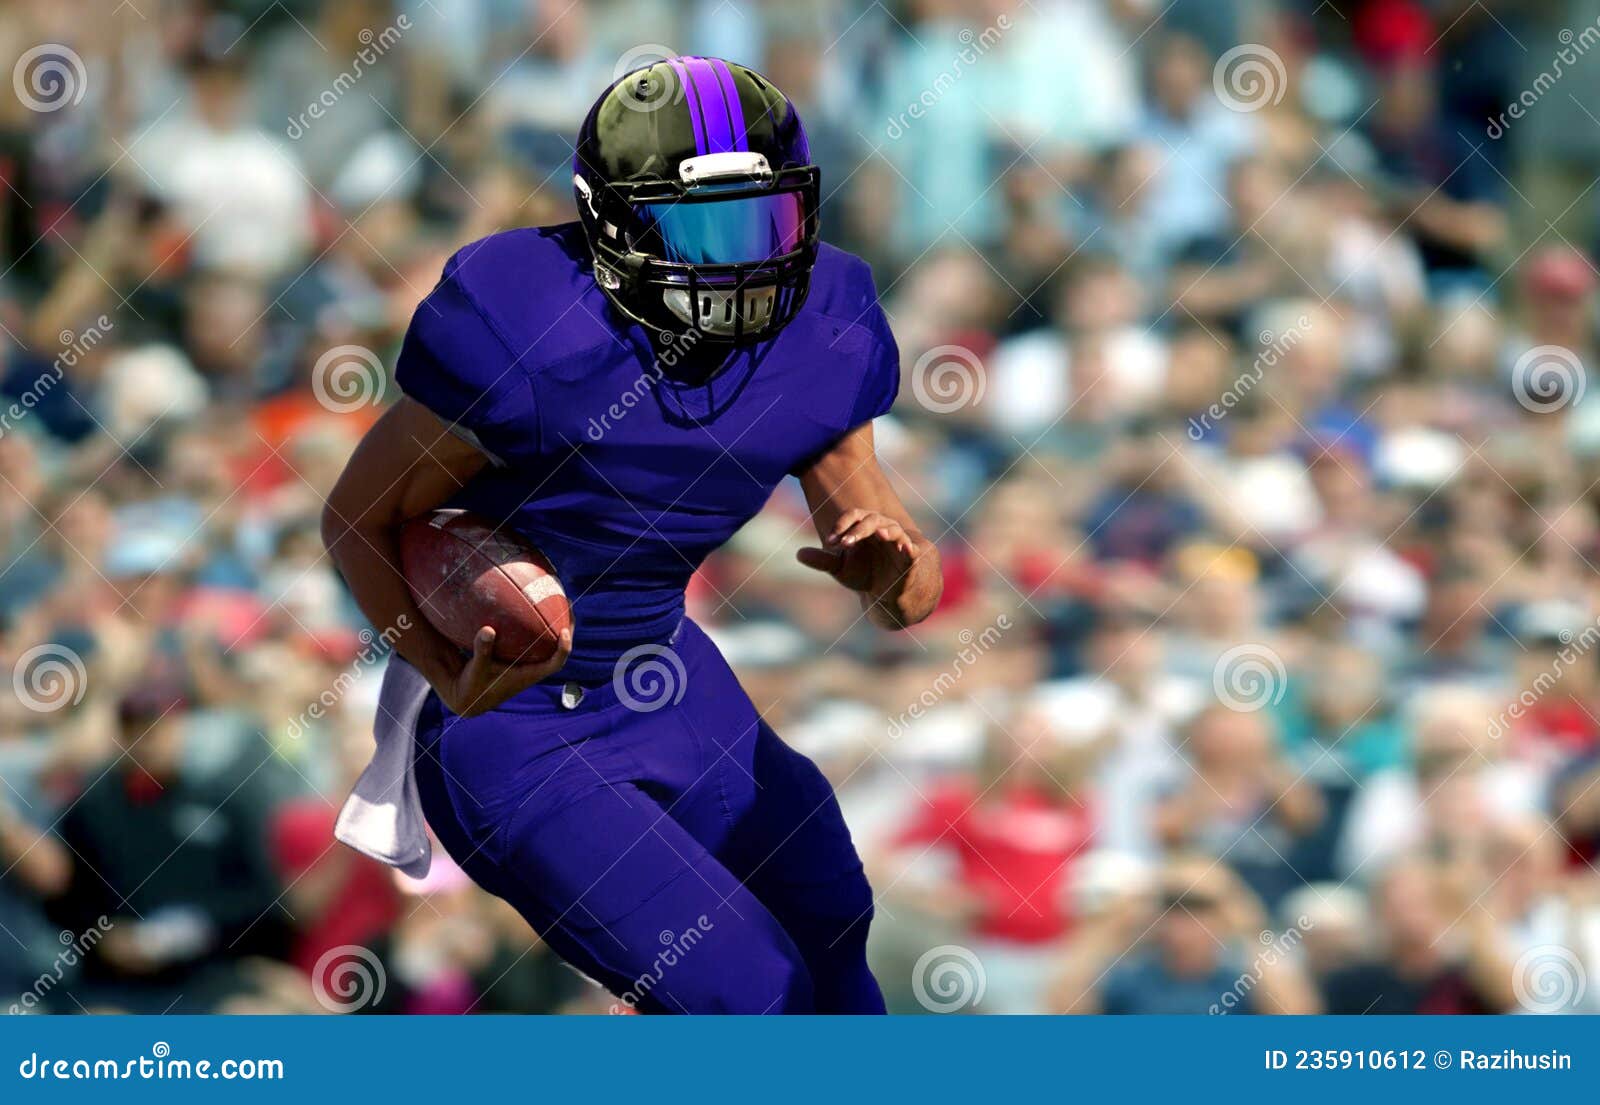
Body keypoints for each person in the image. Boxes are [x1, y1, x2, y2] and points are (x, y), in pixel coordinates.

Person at [322, 57, 942, 1015]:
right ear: (616, 224)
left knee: (832, 932)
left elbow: (908, 591)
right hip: (517, 724)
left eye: (764, 219)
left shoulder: (825, 321)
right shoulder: (530, 329)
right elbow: (359, 518)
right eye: (706, 226)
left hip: (665, 673)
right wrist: (445, 673)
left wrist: (888, 568)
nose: (743, 256)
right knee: (745, 996)